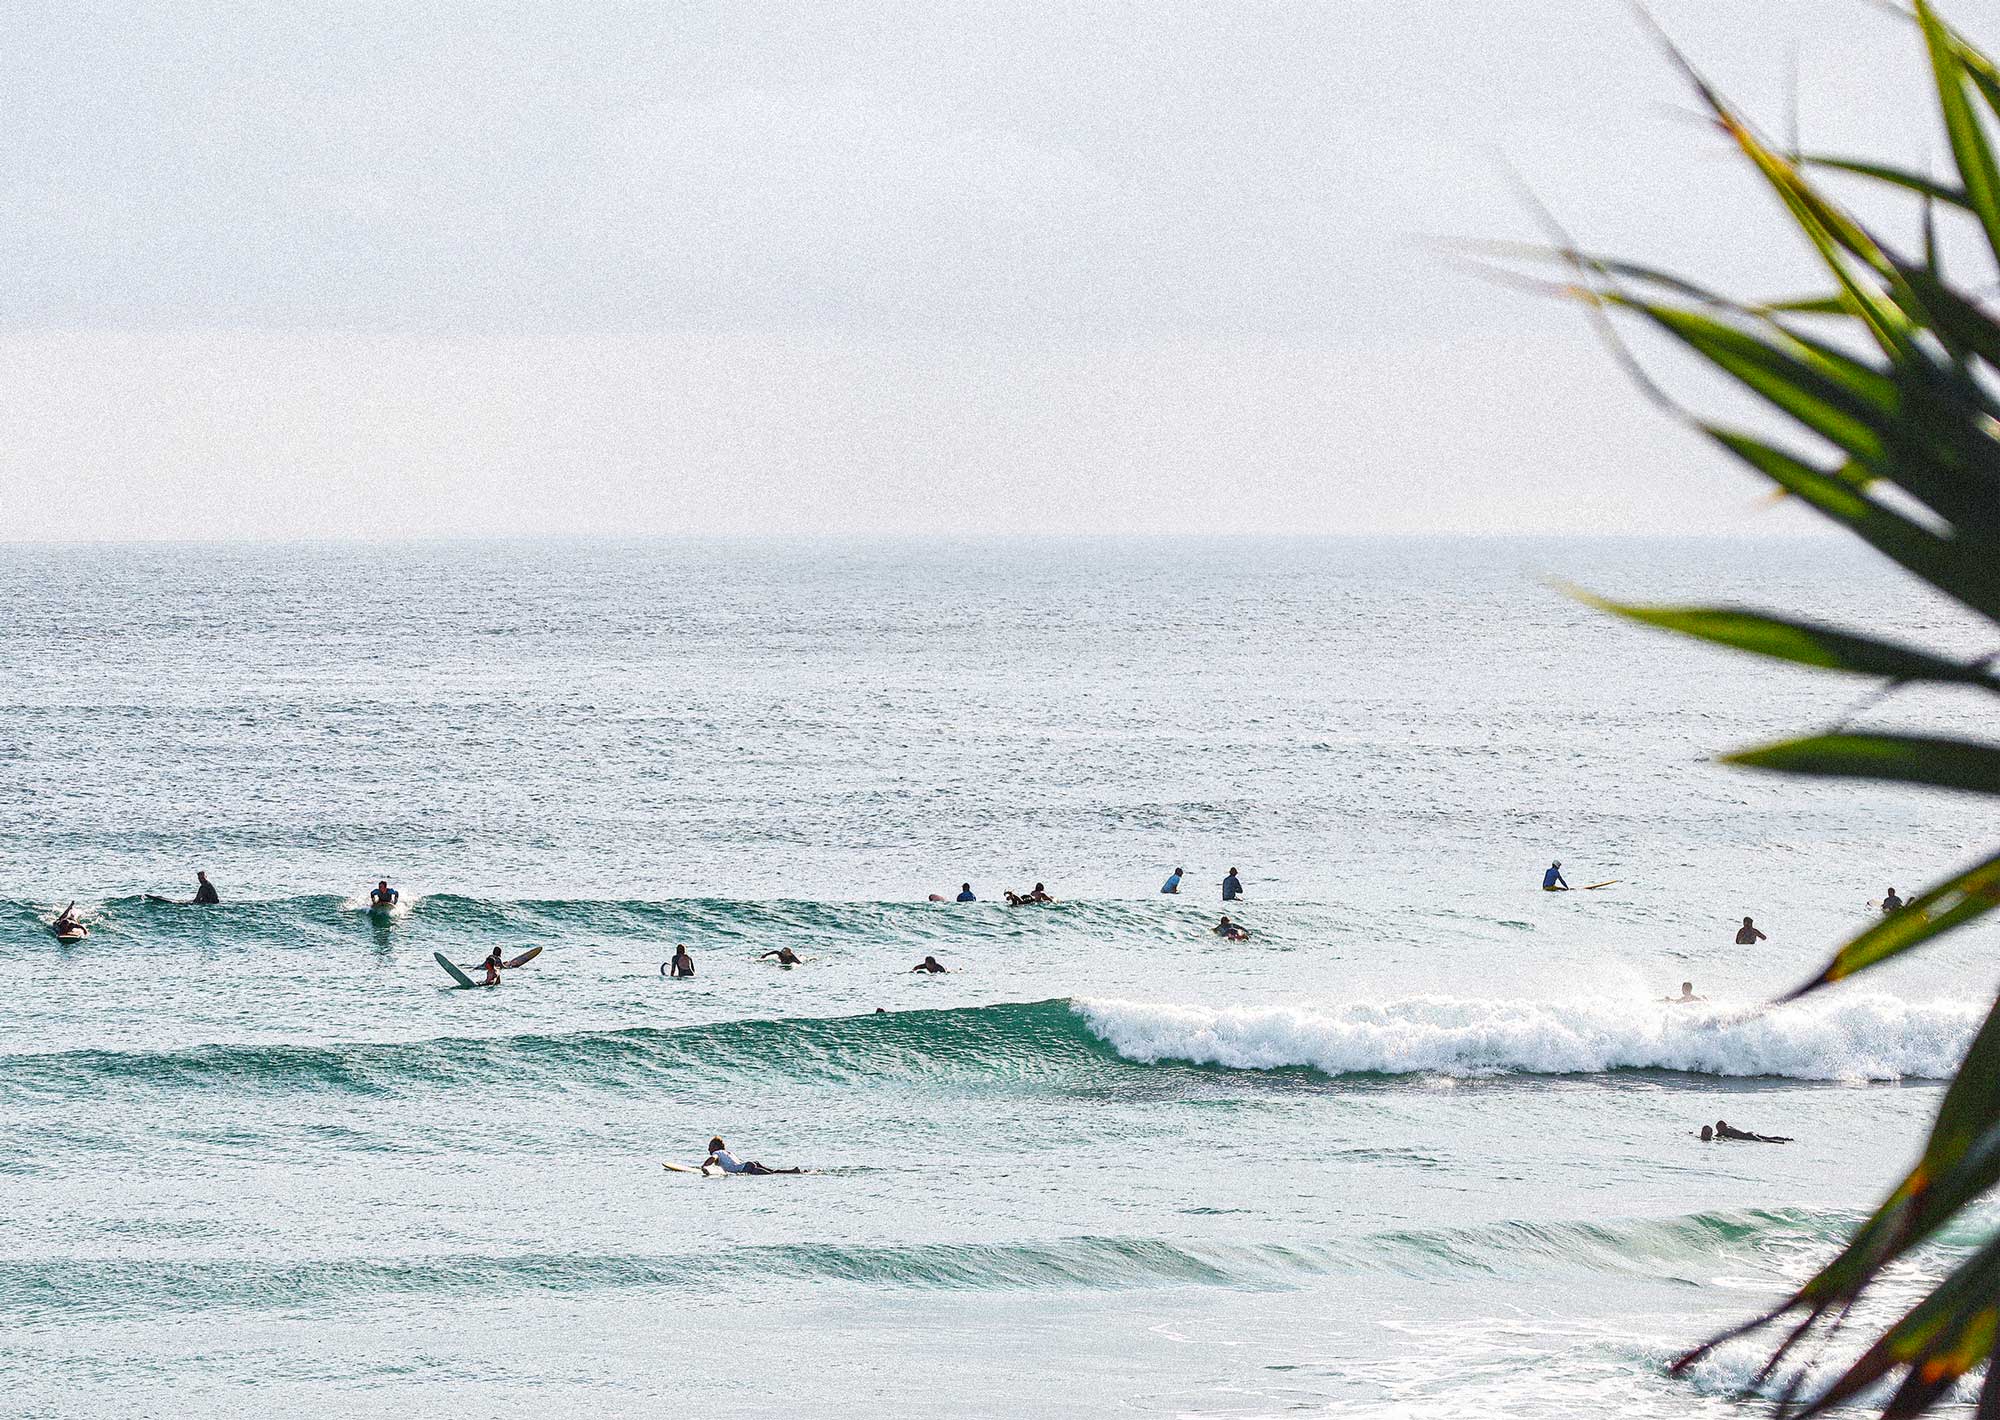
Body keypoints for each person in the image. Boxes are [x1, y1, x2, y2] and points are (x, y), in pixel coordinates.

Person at [704, 1136, 803, 1175]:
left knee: (772, 1175)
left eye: (710, 1146)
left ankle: (793, 1172)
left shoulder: (717, 1153)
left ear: (716, 1146)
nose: (709, 1149)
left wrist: (704, 1166)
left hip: (746, 1168)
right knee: (773, 1172)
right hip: (749, 1164)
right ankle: (793, 1171)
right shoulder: (728, 1152)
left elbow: (713, 1158)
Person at [1711, 1119, 1792, 1143]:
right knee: (1768, 1137)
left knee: (1763, 1141)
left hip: (1748, 1136)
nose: (1718, 1129)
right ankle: (1786, 1139)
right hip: (1749, 1134)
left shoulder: (1727, 1131)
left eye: (1719, 1128)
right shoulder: (1728, 1128)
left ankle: (1779, 1142)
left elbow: (1717, 1135)